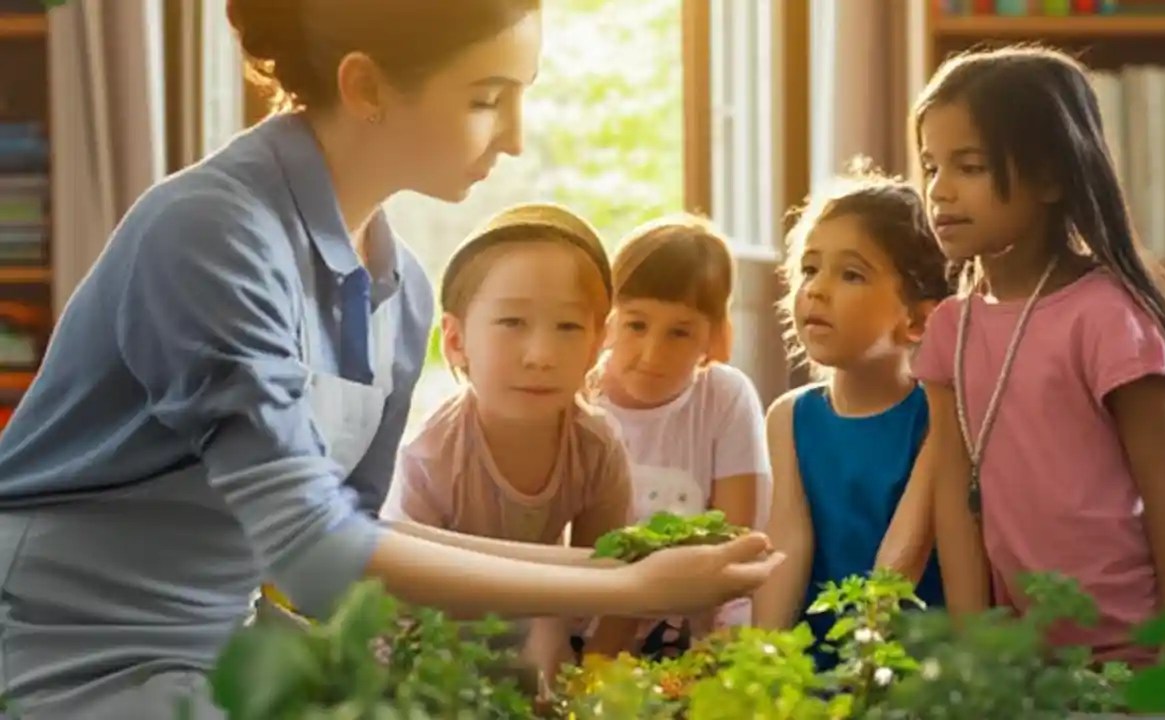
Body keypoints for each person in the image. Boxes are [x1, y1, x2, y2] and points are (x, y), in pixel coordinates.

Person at [0, 2, 780, 717]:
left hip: (219, 644)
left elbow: (357, 527)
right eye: (486, 97)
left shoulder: (398, 289)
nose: (513, 135)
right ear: (366, 84)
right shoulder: (212, 235)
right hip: (63, 646)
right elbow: (312, 554)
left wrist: (621, 576)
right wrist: (633, 582)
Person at [909, 46, 1165, 666]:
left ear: (1049, 176)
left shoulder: (1104, 315)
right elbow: (954, 501)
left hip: (1136, 655)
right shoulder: (949, 330)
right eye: (931, 166)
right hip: (1027, 666)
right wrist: (976, 653)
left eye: (969, 166)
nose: (940, 190)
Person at [381, 202, 633, 680]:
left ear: (598, 341)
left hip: (541, 632)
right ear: (456, 340)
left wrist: (592, 684)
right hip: (427, 649)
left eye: (568, 327)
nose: (540, 355)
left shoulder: (596, 446)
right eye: (512, 323)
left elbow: (617, 582)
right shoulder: (432, 458)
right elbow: (407, 604)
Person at [751, 160, 950, 671]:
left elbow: (901, 560)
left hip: (904, 665)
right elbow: (788, 549)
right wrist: (759, 663)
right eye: (810, 268)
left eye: (851, 274)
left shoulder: (940, 414)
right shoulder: (790, 418)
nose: (815, 289)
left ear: (918, 319)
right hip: (813, 665)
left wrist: (863, 670)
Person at [576, 215, 770, 659]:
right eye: (636, 325)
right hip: (585, 631)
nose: (651, 354)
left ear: (715, 336)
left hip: (697, 634)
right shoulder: (576, 395)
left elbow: (736, 546)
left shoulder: (724, 396)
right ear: (606, 319)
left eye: (680, 332)